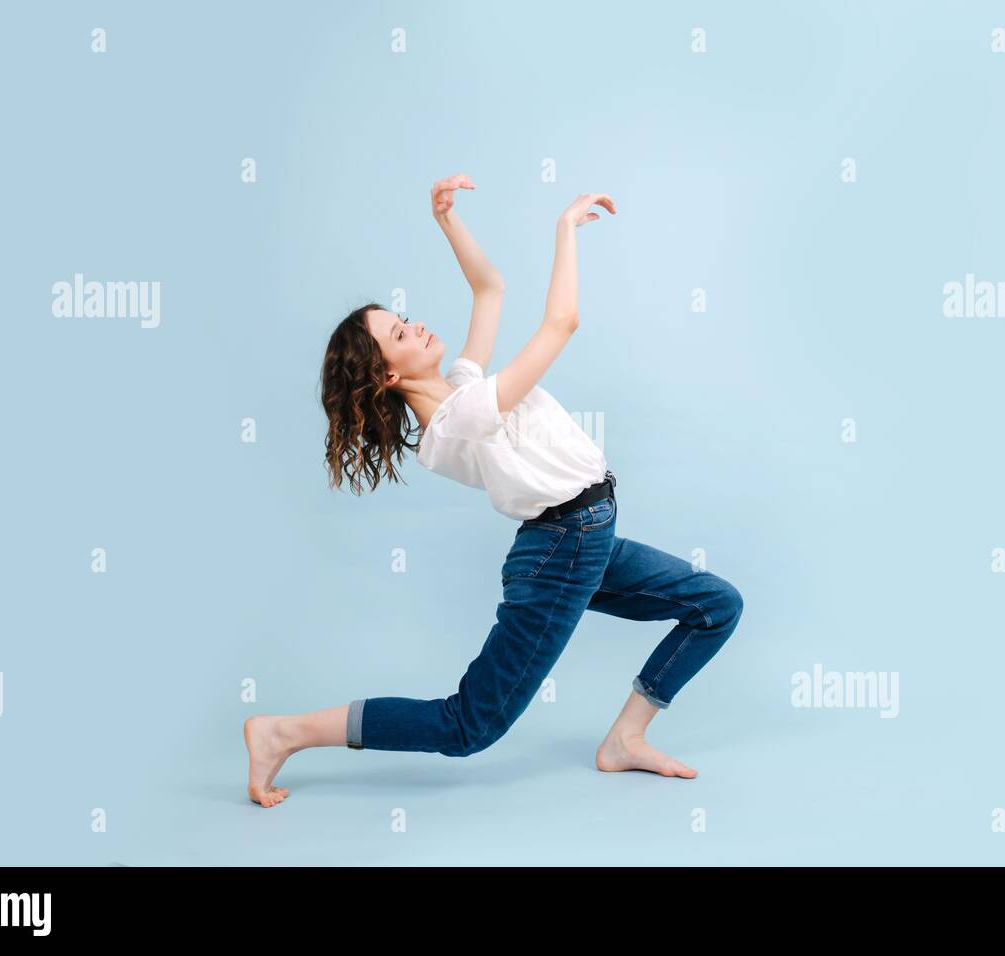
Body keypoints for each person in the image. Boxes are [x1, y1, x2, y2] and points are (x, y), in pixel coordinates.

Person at [243, 175, 744, 807]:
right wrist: (565, 229)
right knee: (467, 724)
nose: (415, 325)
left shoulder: (458, 391)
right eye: (400, 334)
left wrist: (446, 221)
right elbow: (562, 322)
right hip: (563, 547)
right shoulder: (461, 417)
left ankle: (624, 741)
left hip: (585, 535)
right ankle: (282, 732)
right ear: (391, 374)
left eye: (402, 319)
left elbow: (490, 288)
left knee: (716, 605)